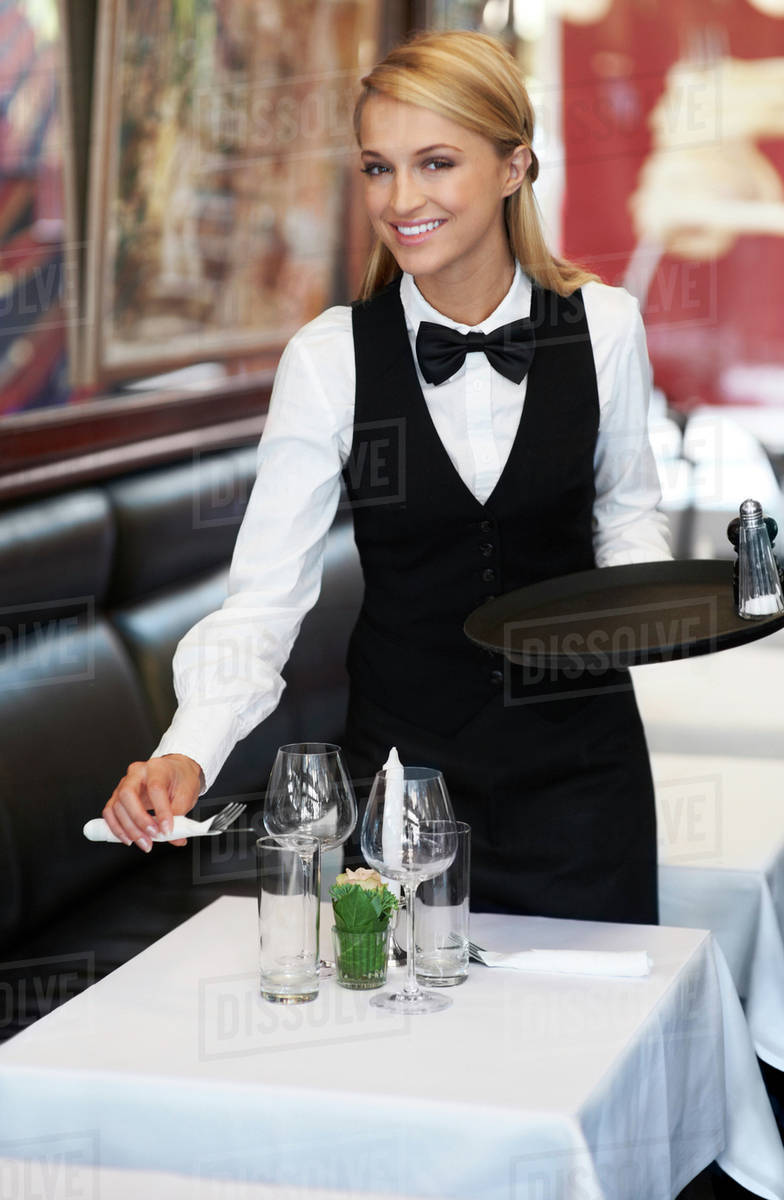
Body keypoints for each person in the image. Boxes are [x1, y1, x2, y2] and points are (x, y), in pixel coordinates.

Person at [102, 29, 671, 922]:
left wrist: (645, 604)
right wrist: (188, 753)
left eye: (437, 163)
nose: (402, 199)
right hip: (400, 790)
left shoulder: (606, 325)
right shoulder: (328, 358)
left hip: (582, 785)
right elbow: (264, 597)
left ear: (515, 165)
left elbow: (627, 511)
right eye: (378, 169)